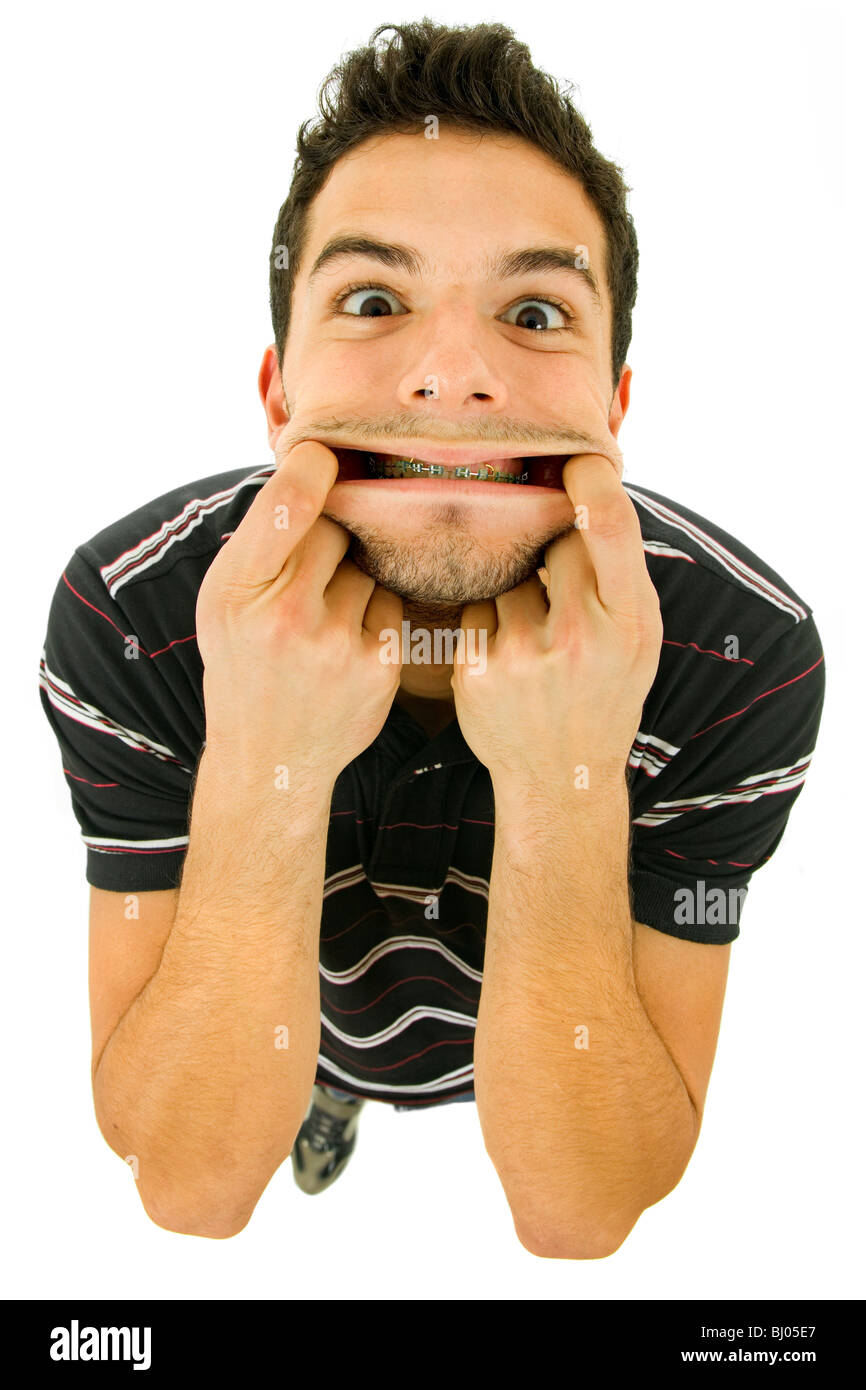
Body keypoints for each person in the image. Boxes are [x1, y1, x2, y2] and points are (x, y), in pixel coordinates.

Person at [38, 20, 824, 1259]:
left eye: (532, 309)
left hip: (528, 1050)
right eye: (370, 298)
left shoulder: (744, 654)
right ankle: (331, 1093)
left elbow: (576, 1208)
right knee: (312, 1059)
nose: (450, 376)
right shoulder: (128, 615)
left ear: (615, 406)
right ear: (276, 392)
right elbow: (189, 1186)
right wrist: (261, 761)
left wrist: (562, 781)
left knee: (516, 1094)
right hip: (292, 1020)